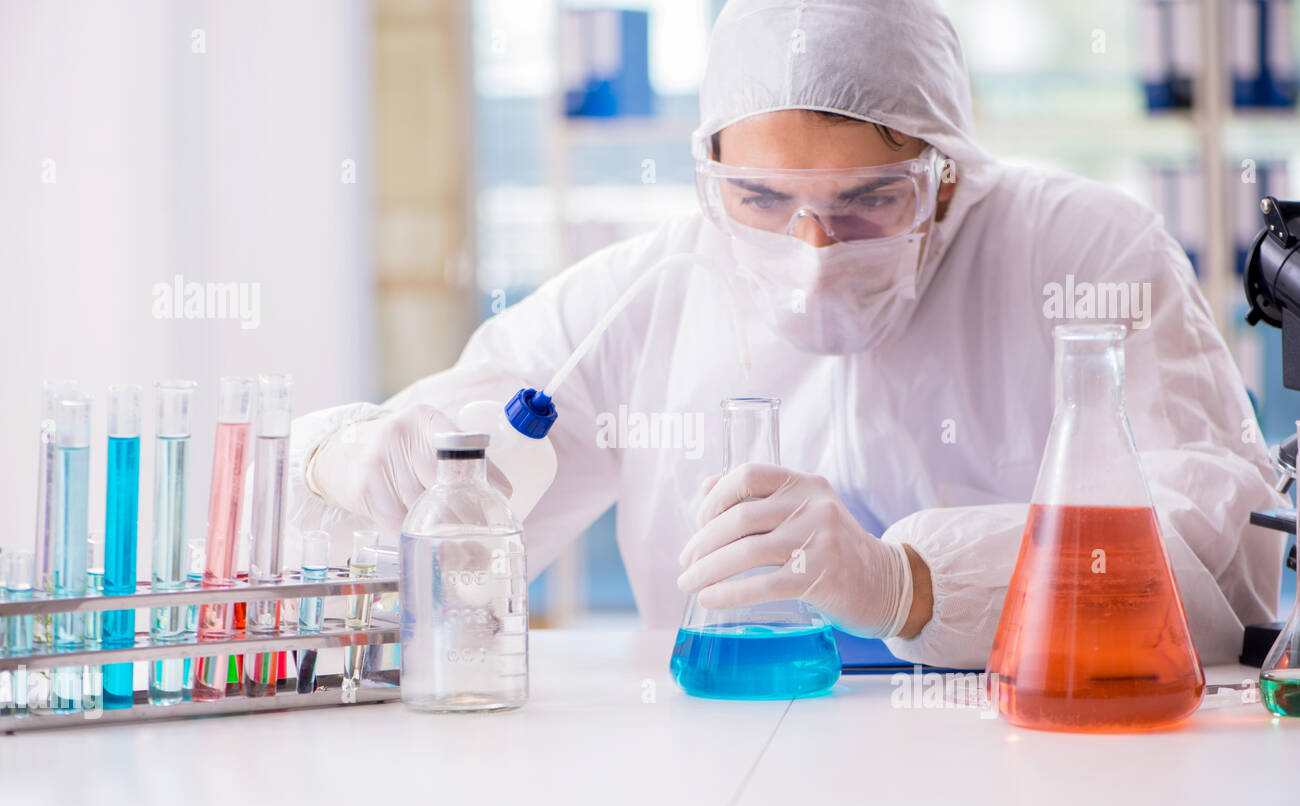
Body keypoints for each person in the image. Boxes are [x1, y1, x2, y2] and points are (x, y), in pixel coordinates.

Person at [288, 0, 1285, 669]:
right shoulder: (653, 291)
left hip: (1041, 780)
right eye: (759, 197)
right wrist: (350, 457)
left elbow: (1219, 579)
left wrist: (912, 585)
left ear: (947, 171)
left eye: (867, 200)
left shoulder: (1080, 252)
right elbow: (441, 539)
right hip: (726, 786)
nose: (810, 247)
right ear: (706, 169)